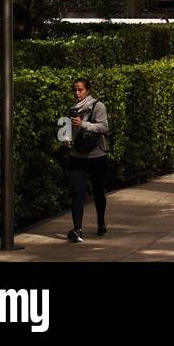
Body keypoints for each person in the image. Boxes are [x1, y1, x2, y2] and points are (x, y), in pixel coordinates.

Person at [64, 77, 109, 242]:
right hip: (77, 157)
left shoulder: (98, 106)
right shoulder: (72, 110)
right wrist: (67, 139)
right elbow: (67, 131)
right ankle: (77, 230)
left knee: (98, 192)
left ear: (87, 90)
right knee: (77, 193)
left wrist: (84, 124)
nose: (77, 93)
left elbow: (104, 127)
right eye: (75, 90)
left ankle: (101, 223)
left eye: (80, 90)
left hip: (96, 156)